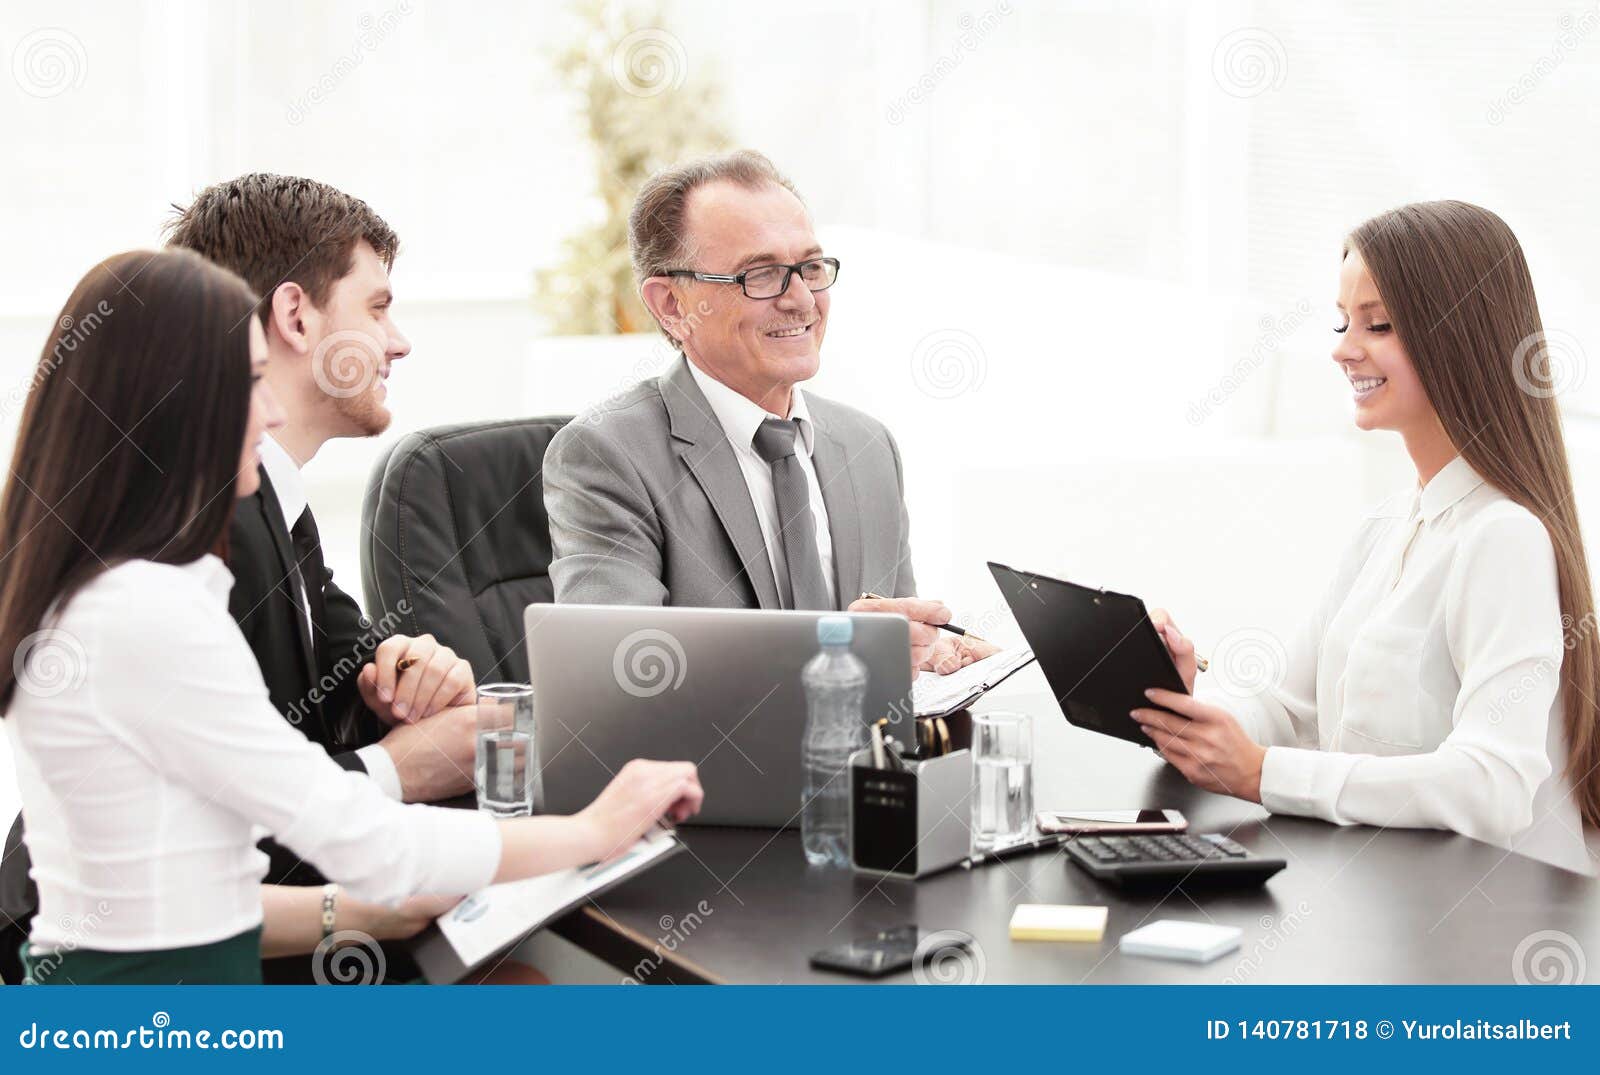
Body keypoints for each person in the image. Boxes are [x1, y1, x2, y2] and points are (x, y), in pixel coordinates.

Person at [0, 249, 704, 984]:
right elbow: (360, 836)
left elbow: (182, 893)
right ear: (174, 406)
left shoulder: (107, 587)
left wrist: (359, 914)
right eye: (247, 384)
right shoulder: (148, 612)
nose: (270, 410)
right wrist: (594, 829)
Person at [0, 175, 484, 984]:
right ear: (296, 317)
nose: (399, 342)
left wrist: (414, 670)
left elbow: (356, 669)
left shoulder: (277, 515)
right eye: (377, 307)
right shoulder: (201, 542)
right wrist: (405, 766)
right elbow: (212, 825)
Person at [1135, 201, 1597, 875]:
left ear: (1458, 337)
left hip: (1487, 938)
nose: (1343, 347)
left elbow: (1491, 783)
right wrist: (1184, 709)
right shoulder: (1384, 529)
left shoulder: (1504, 539)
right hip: (1386, 900)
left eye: (1378, 324)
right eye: (1342, 320)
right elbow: (1292, 710)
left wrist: (1263, 774)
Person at [543, 150, 994, 674]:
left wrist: (929, 657)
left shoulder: (869, 446)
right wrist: (839, 652)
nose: (801, 299)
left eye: (810, 267)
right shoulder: (605, 455)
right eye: (760, 275)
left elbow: (889, 668)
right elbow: (620, 675)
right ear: (671, 305)